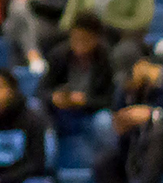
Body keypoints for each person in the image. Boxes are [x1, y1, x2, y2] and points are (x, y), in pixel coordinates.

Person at [40, 11, 116, 141]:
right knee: (38, 112)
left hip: (92, 112)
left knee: (104, 121)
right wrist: (54, 98)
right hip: (61, 112)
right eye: (75, 39)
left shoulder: (106, 59)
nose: (79, 45)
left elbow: (111, 99)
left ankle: (106, 160)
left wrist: (86, 101)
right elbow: (41, 91)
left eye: (85, 40)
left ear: (96, 39)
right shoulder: (58, 56)